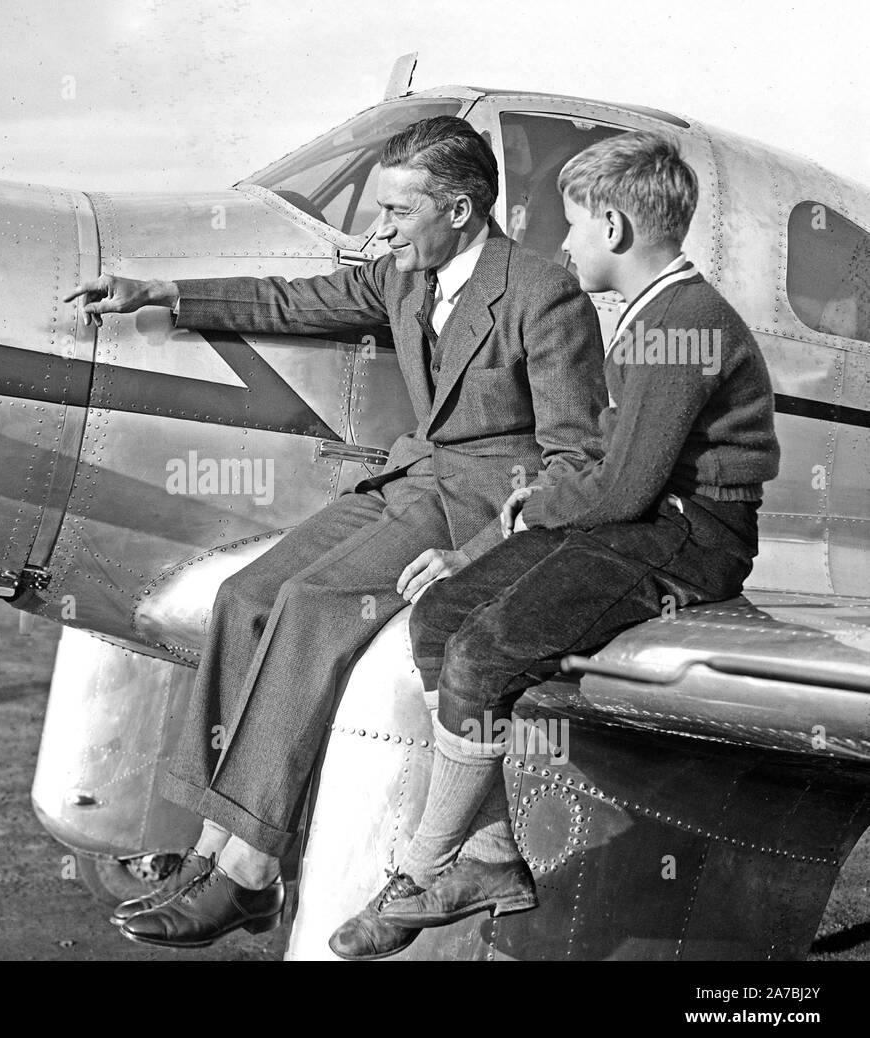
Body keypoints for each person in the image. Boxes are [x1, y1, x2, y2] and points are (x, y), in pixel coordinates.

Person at [63, 116, 607, 950]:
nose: (376, 228)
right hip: (409, 476)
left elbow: (576, 457)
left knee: (313, 605)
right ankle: (213, 848)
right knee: (245, 595)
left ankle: (250, 874)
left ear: (459, 210)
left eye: (396, 211)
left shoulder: (543, 293)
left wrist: (481, 554)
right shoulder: (404, 275)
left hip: (478, 504)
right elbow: (296, 300)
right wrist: (167, 294)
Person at [338, 130, 781, 958]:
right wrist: (538, 504)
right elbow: (615, 472)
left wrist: (533, 503)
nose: (565, 243)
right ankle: (493, 853)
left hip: (691, 534)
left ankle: (422, 864)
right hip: (649, 516)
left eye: (573, 225)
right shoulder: (654, 314)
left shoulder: (680, 324)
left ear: (612, 229)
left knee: (484, 653)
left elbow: (621, 488)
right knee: (441, 619)